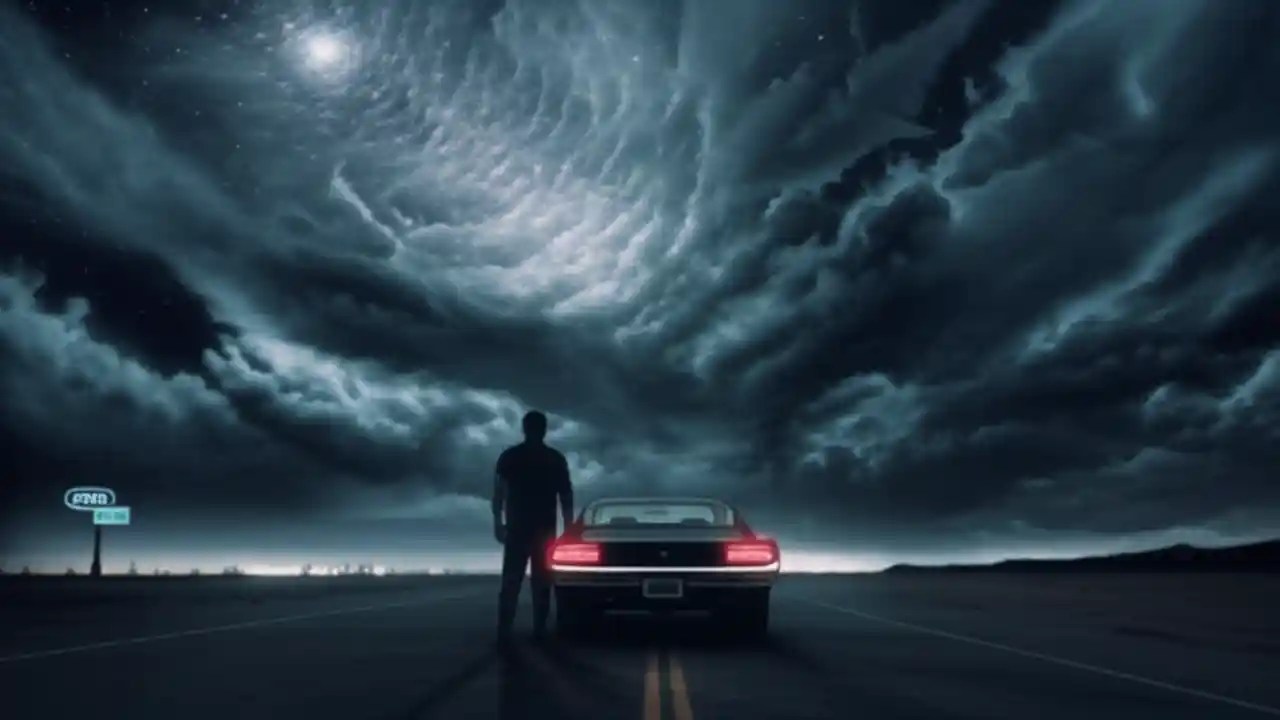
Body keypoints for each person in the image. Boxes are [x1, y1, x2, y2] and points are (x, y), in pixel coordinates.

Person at [492, 410, 573, 642]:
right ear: (544, 429)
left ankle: (505, 629)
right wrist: (568, 529)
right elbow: (566, 496)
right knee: (541, 582)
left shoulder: (510, 456)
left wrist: (498, 522)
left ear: (524, 428)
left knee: (512, 581)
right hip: (544, 530)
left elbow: (499, 494)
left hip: (518, 528)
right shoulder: (555, 458)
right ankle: (538, 629)